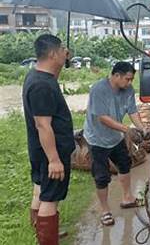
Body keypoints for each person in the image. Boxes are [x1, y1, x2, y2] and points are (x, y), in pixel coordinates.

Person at [22, 34, 74, 244]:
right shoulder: (42, 86)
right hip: (50, 152)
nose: (65, 52)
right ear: (53, 53)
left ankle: (45, 232)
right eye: (62, 50)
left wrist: (63, 63)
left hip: (41, 149)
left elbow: (52, 79)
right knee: (49, 199)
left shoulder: (39, 77)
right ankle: (47, 236)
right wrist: (54, 159)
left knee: (42, 192)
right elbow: (43, 124)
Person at [83, 61, 147, 226]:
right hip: (97, 139)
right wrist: (127, 130)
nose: (130, 83)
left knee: (125, 164)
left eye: (132, 79)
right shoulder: (99, 90)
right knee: (101, 176)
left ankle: (127, 197)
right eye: (127, 79)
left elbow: (132, 111)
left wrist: (142, 129)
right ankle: (105, 211)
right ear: (116, 75)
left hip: (115, 137)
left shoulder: (128, 90)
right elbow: (103, 118)